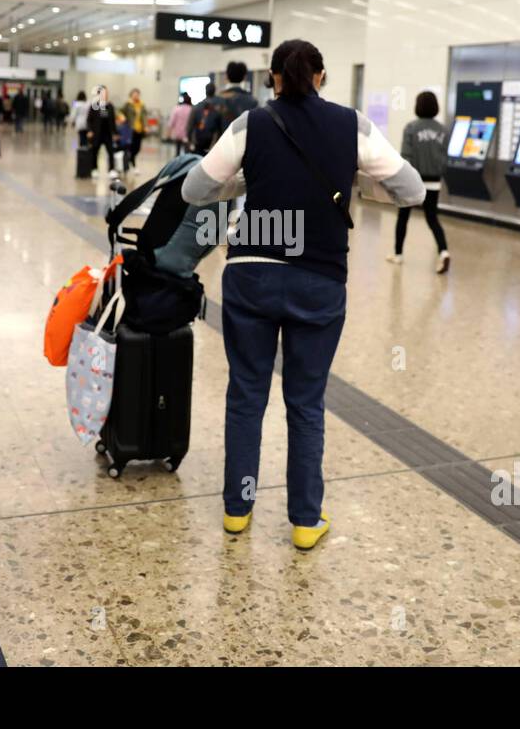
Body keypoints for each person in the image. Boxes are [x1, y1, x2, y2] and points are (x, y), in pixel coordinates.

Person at [182, 39, 425, 551]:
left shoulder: (251, 123)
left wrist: (247, 183)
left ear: (273, 78)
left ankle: (236, 510)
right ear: (321, 77)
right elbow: (413, 191)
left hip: (250, 275)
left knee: (246, 395)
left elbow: (194, 190)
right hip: (318, 279)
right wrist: (354, 184)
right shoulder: (352, 124)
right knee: (306, 402)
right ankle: (304, 520)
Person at [389, 90, 451, 273]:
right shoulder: (443, 130)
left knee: (403, 216)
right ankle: (444, 251)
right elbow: (445, 158)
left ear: (418, 106)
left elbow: (405, 157)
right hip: (434, 182)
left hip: (413, 181)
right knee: (432, 218)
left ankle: (398, 254)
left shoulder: (411, 128)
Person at [186, 82, 229, 156]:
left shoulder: (197, 107)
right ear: (214, 91)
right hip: (213, 145)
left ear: (205, 91)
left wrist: (190, 141)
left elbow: (189, 127)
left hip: (198, 143)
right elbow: (222, 127)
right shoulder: (219, 107)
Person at [85, 86, 116, 178]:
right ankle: (94, 169)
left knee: (110, 152)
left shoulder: (110, 106)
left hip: (107, 134)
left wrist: (115, 133)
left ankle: (111, 170)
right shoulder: (94, 106)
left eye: (106, 93)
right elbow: (89, 120)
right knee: (95, 151)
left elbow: (112, 121)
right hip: (97, 133)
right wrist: (90, 130)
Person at [119, 88, 148, 167]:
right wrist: (122, 117)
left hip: (139, 129)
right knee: (130, 147)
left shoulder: (142, 105)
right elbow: (120, 111)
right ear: (131, 95)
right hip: (130, 129)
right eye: (134, 94)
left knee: (137, 148)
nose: (136, 96)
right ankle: (132, 163)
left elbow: (144, 116)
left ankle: (131, 159)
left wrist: (145, 126)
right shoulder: (128, 104)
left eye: (137, 95)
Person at [166, 92, 192, 157]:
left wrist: (168, 133)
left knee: (177, 150)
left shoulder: (177, 109)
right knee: (187, 151)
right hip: (187, 134)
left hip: (178, 133)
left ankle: (178, 160)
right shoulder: (191, 109)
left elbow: (171, 122)